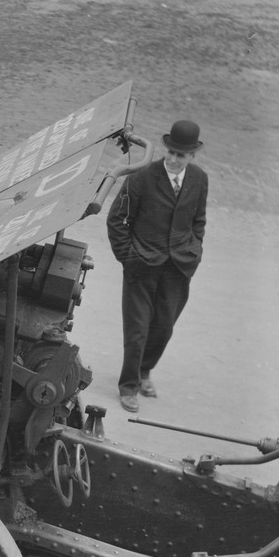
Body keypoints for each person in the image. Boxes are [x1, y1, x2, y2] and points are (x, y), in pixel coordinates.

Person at [106, 120, 209, 413]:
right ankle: (128, 386)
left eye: (182, 155)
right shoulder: (141, 177)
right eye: (171, 153)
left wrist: (194, 250)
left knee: (163, 329)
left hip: (178, 269)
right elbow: (117, 220)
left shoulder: (200, 179)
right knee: (137, 330)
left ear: (193, 156)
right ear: (166, 149)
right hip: (141, 265)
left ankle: (144, 372)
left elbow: (198, 220)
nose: (174, 160)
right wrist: (127, 257)